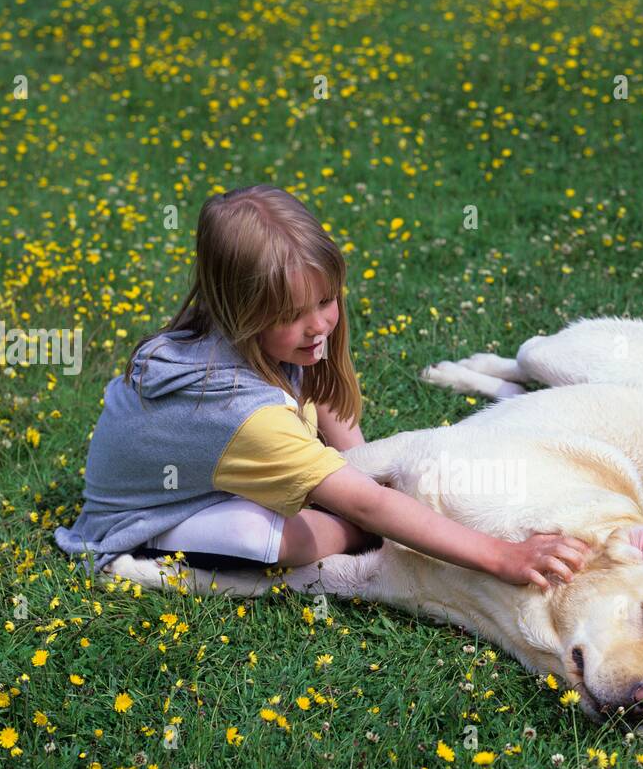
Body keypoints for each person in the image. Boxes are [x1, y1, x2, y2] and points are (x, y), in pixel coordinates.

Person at [54, 184, 590, 590]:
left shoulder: (270, 335)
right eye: (293, 314)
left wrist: (367, 464)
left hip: (212, 467)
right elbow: (370, 506)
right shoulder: (245, 417)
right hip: (146, 521)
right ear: (240, 310)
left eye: (326, 300)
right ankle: (156, 553)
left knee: (353, 495)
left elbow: (320, 391)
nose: (318, 326)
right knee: (283, 538)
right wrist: (502, 555)